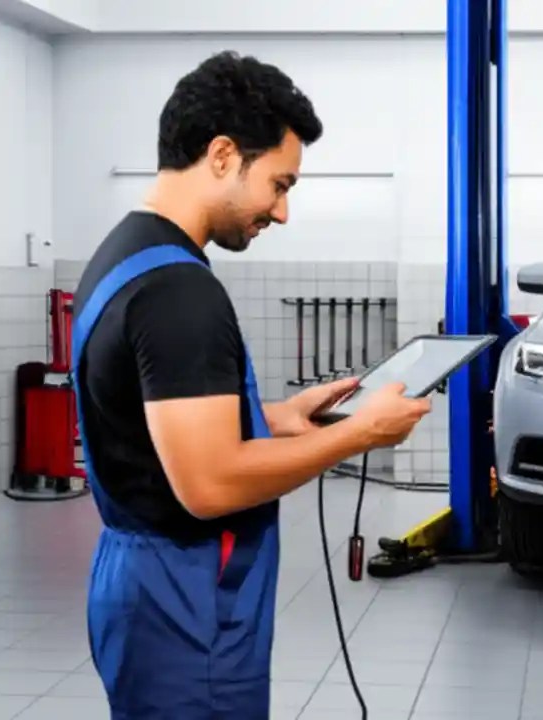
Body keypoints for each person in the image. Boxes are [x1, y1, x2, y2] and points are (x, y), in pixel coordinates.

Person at [71, 51, 430, 718]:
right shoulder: (180, 292)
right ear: (222, 155)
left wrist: (274, 416)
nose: (283, 211)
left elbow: (146, 417)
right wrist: (361, 433)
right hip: (187, 599)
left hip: (139, 581)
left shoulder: (124, 254)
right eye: (280, 183)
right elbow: (209, 484)